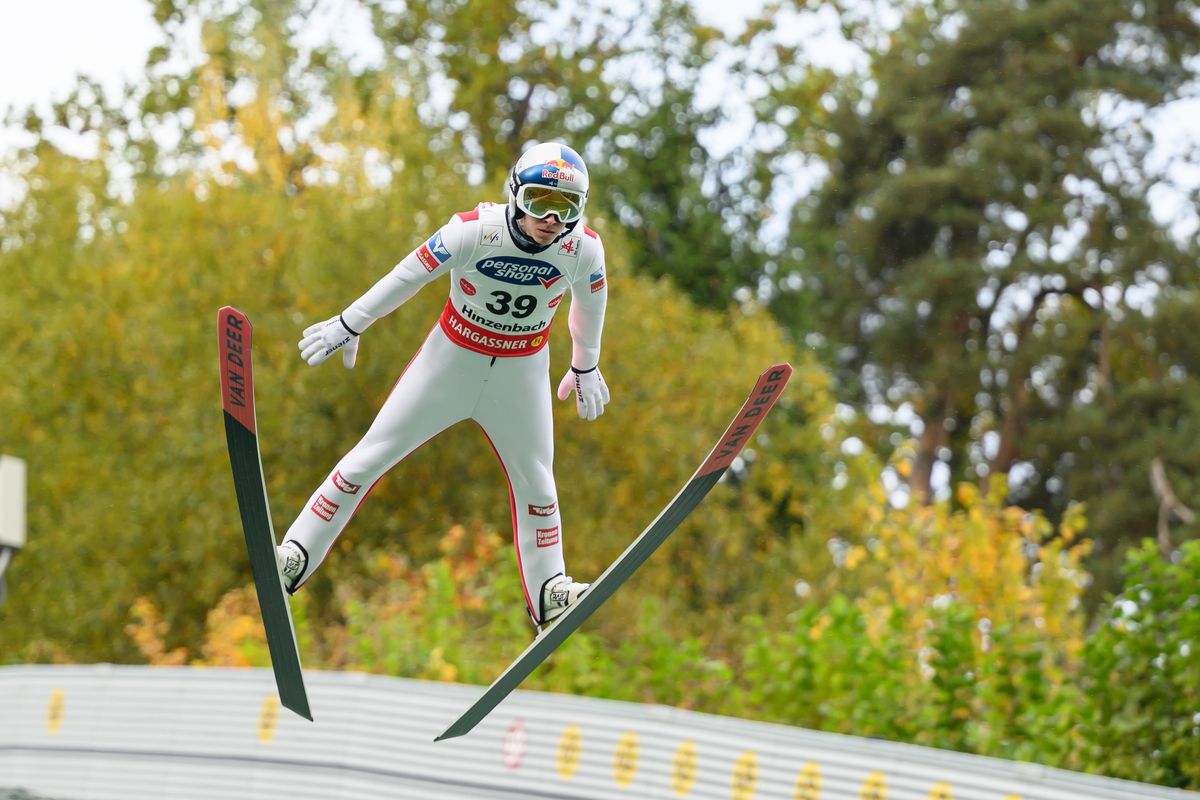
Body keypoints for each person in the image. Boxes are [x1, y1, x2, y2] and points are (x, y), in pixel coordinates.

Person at [275, 142, 610, 630]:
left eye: (567, 208)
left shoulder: (583, 248)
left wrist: (586, 365)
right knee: (369, 457)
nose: (551, 219)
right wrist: (351, 322)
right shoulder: (473, 231)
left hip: (521, 372)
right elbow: (407, 275)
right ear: (515, 193)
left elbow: (590, 306)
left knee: (538, 484)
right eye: (540, 200)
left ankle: (548, 592)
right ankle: (296, 553)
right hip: (451, 361)